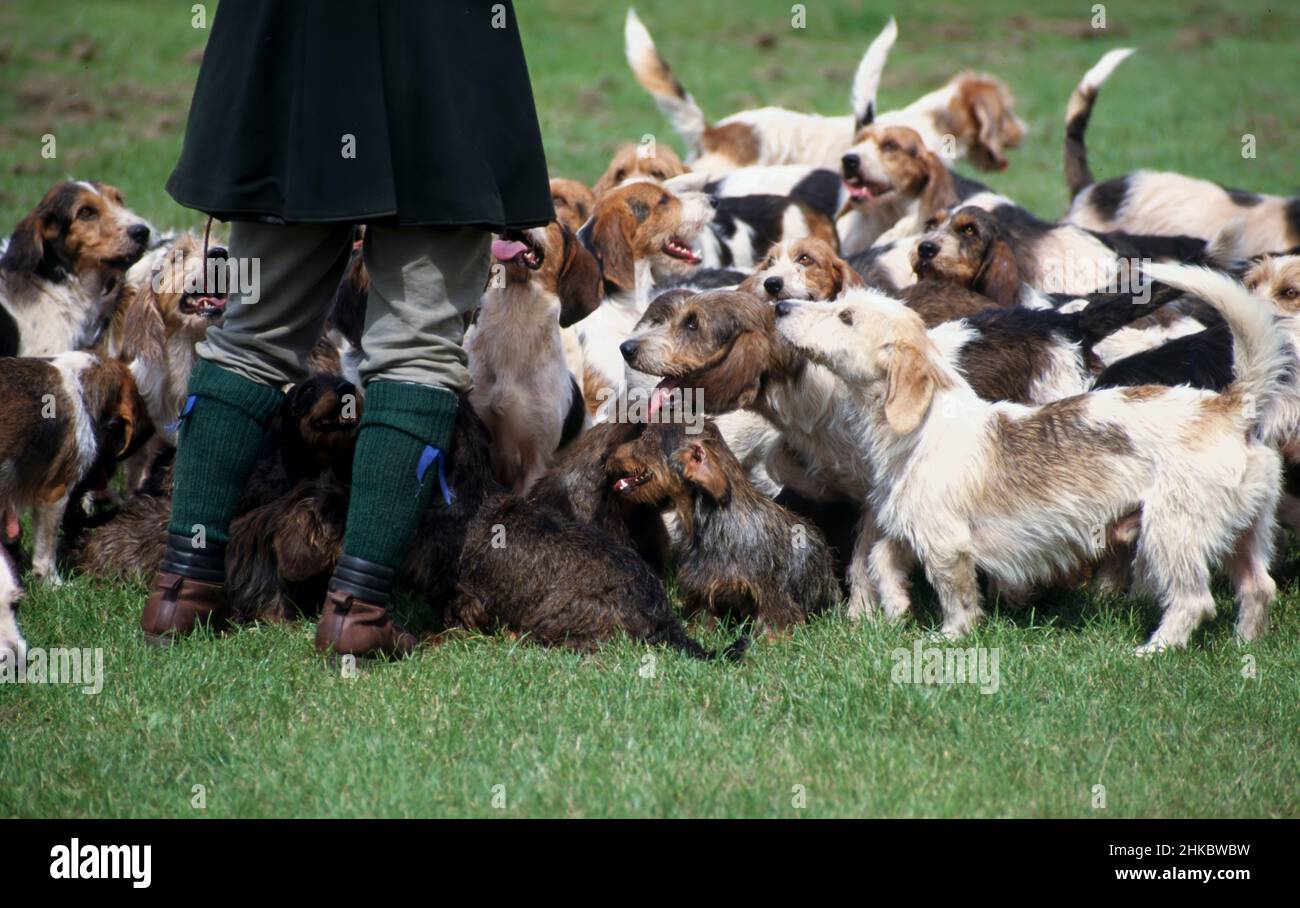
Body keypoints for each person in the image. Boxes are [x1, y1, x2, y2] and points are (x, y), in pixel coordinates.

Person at [140, 0, 553, 659]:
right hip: (433, 51)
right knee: (416, 345)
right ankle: (356, 613)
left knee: (248, 336)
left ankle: (181, 591)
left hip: (296, 46)